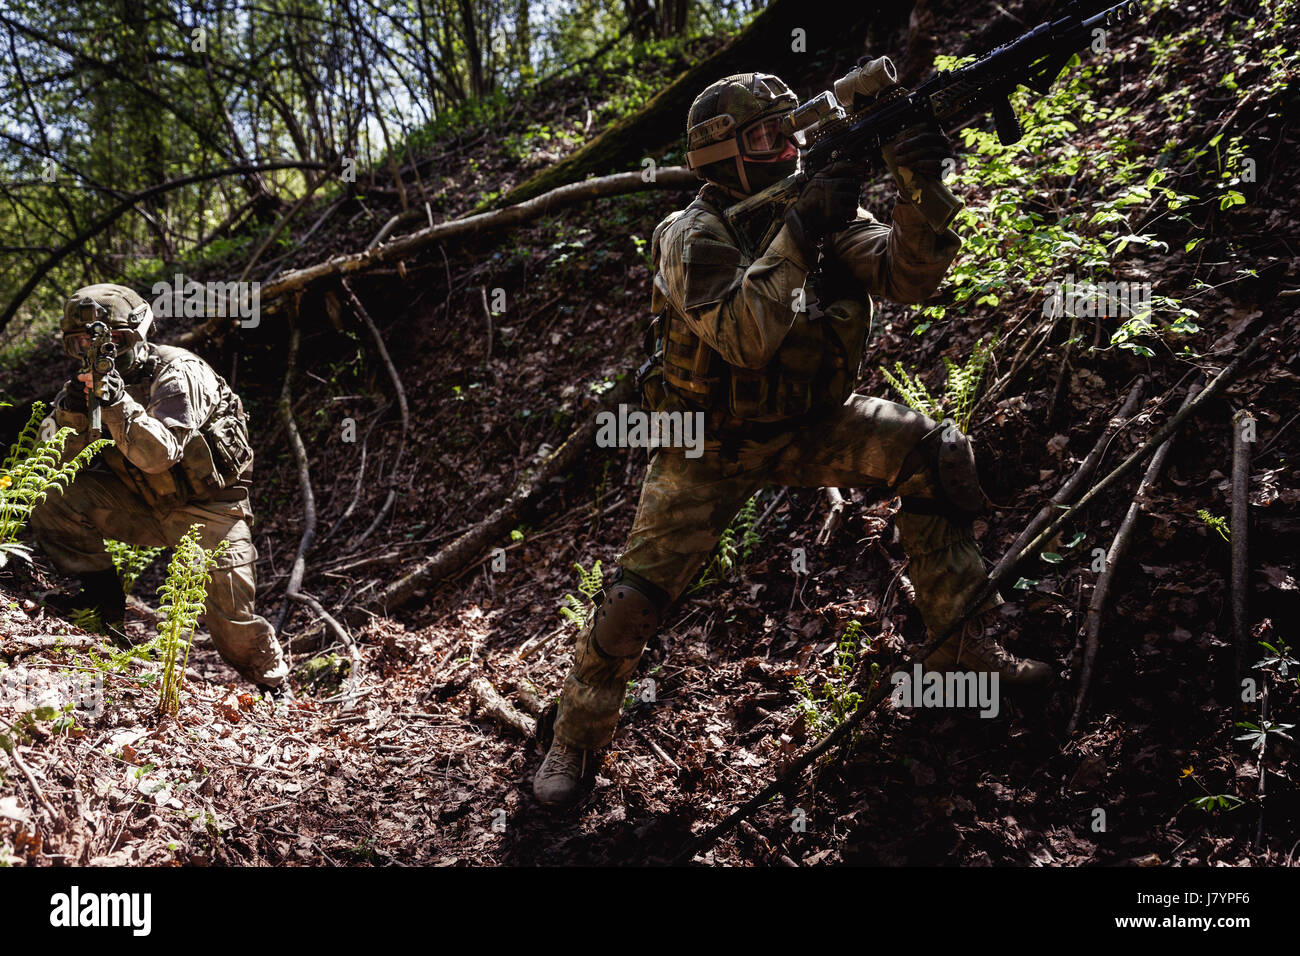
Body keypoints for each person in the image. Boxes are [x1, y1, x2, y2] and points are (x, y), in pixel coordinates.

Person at [534, 73, 1050, 808]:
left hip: (807, 428)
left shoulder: (821, 209)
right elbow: (745, 338)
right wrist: (800, 231)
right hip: (705, 446)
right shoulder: (691, 236)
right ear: (721, 157)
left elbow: (909, 278)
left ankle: (961, 654)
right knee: (634, 600)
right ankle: (575, 738)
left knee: (932, 454)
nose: (788, 144)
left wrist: (919, 185)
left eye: (789, 128)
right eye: (765, 136)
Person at [31, 283, 290, 697]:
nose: (95, 351)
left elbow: (159, 456)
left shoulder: (179, 372)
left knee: (234, 630)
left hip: (209, 513)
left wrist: (116, 403)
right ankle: (102, 606)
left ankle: (272, 685)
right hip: (140, 505)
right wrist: (74, 415)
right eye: (79, 342)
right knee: (52, 493)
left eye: (110, 339)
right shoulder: (83, 389)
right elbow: (51, 464)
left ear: (137, 335)